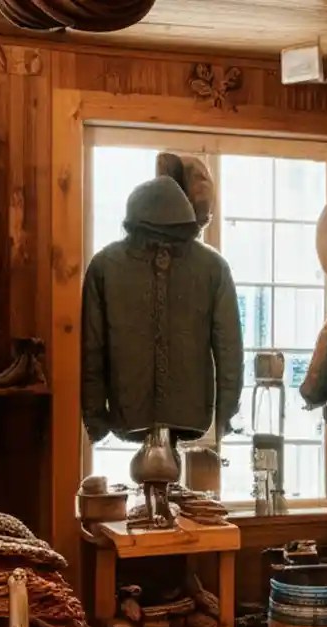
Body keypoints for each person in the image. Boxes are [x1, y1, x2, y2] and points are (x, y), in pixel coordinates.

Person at [81, 175, 242, 444]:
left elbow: (92, 351)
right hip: (190, 415)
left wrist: (96, 418)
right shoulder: (214, 267)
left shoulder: (104, 266)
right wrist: (223, 417)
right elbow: (229, 351)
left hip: (128, 412)